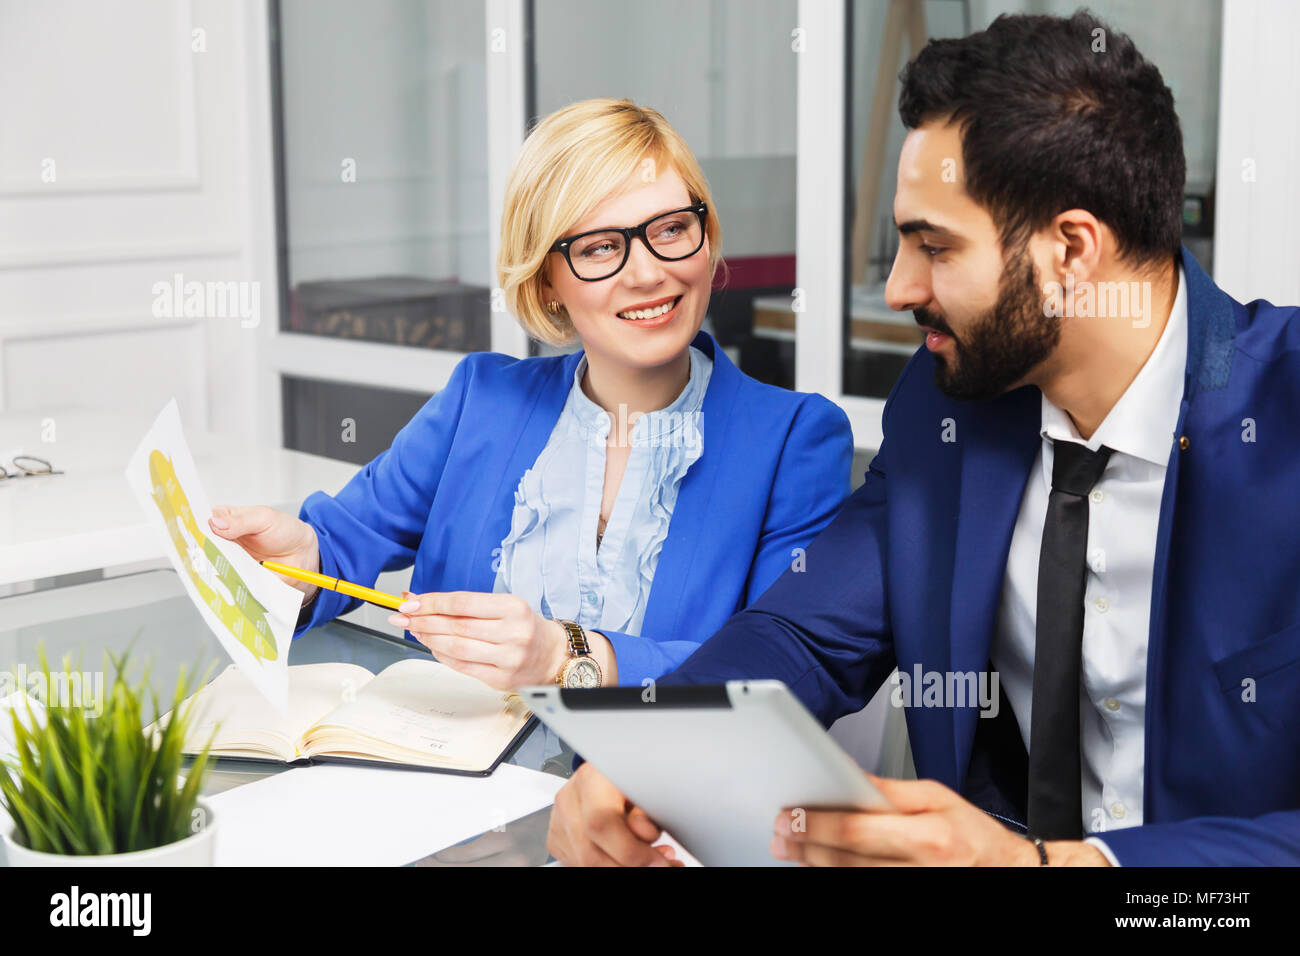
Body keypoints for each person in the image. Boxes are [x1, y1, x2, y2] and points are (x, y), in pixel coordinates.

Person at [547, 12, 1300, 866]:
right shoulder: (948, 410)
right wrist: (652, 752)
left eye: (932, 246)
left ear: (1073, 249)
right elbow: (805, 634)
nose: (900, 287)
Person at [209, 98, 853, 693]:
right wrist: (306, 557)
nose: (650, 271)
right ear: (547, 280)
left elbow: (780, 677)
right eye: (602, 247)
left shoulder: (794, 441)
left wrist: (568, 656)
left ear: (705, 237)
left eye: (672, 228)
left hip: (654, 806)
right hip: (443, 786)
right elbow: (348, 537)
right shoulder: (479, 401)